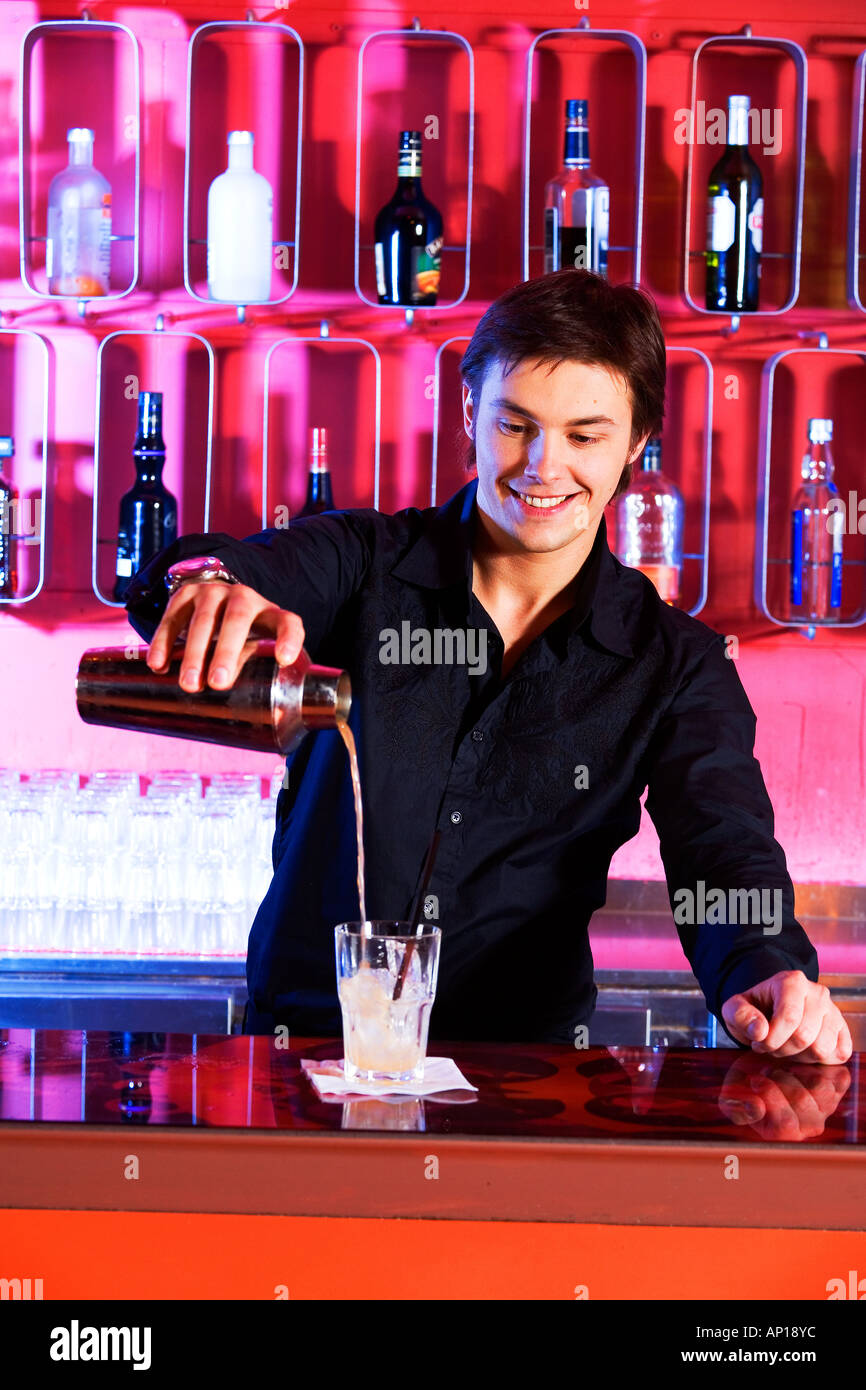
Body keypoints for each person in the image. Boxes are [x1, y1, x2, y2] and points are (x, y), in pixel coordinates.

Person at [125, 269, 851, 1064]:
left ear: (638, 442)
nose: (544, 466)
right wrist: (206, 585)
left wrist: (766, 966)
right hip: (306, 1061)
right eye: (515, 425)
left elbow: (723, 847)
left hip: (523, 1084)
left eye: (584, 437)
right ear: (470, 410)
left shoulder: (675, 664)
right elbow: (216, 569)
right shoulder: (364, 563)